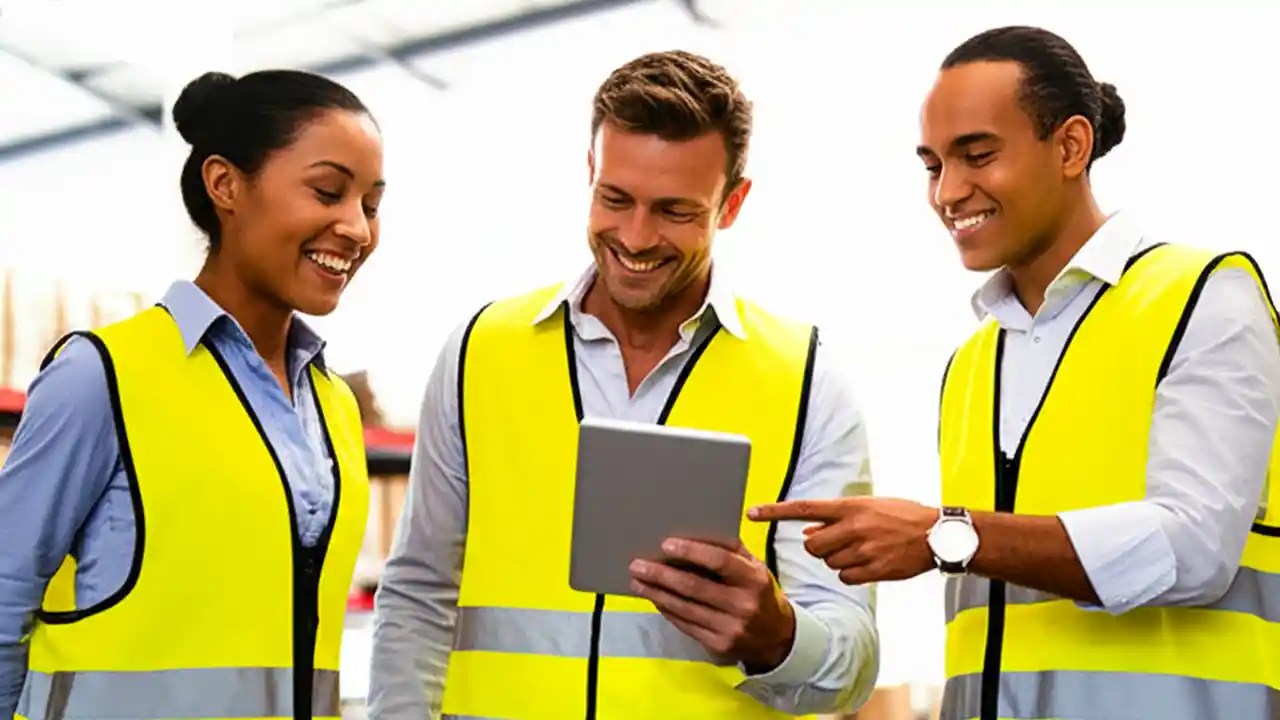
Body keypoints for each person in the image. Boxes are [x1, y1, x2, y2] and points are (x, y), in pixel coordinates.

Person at [750, 25, 1280, 720]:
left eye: (977, 155)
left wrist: (943, 534)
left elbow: (1195, 547)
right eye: (933, 164)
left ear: (1070, 146)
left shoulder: (1207, 296)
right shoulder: (970, 365)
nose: (948, 192)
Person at [368, 50, 879, 719]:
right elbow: (418, 592)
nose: (635, 236)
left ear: (733, 203)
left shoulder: (808, 380)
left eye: (674, 210)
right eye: (616, 199)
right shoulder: (480, 352)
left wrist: (779, 636)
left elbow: (854, 660)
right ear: (590, 172)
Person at [0, 69, 384, 720]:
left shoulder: (333, 406)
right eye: (328, 192)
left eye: (371, 205)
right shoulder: (102, 376)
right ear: (224, 184)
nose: (356, 229)